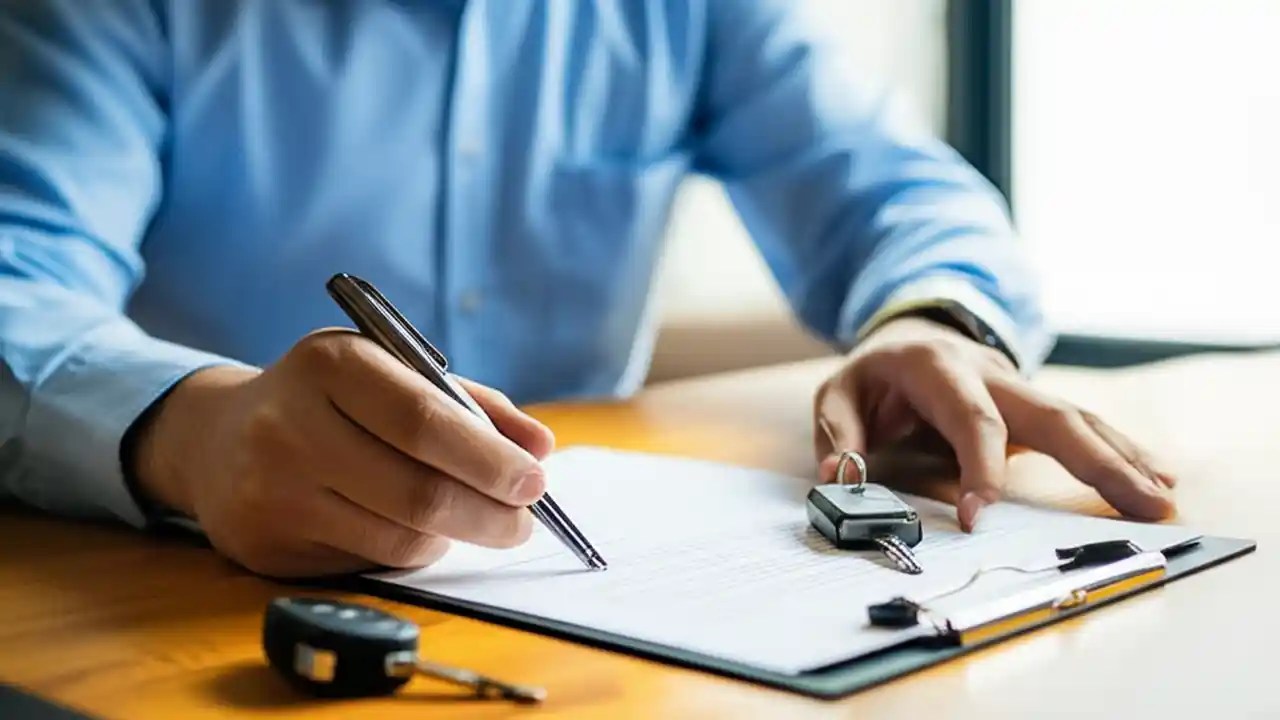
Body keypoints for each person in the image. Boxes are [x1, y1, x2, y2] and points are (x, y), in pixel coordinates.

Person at [0, 1, 1176, 578]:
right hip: (185, 588)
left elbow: (898, 189)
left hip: (597, 629)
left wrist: (935, 319)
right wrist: (192, 432)